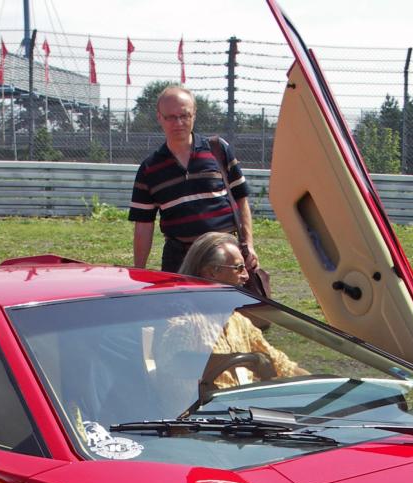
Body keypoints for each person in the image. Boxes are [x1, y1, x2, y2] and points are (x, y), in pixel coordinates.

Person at [154, 232, 305, 412]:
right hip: (199, 422)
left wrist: (321, 385)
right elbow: (174, 362)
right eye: (238, 268)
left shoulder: (238, 321)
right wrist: (239, 360)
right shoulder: (182, 317)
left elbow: (277, 362)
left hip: (244, 417)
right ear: (212, 272)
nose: (246, 276)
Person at [129, 85, 258, 274]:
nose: (178, 122)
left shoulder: (218, 150)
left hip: (226, 257)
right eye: (170, 117)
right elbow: (143, 226)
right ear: (159, 117)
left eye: (184, 116)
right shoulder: (149, 169)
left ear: (194, 115)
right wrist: (138, 270)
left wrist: (248, 245)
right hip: (180, 261)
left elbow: (241, 198)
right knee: (180, 305)